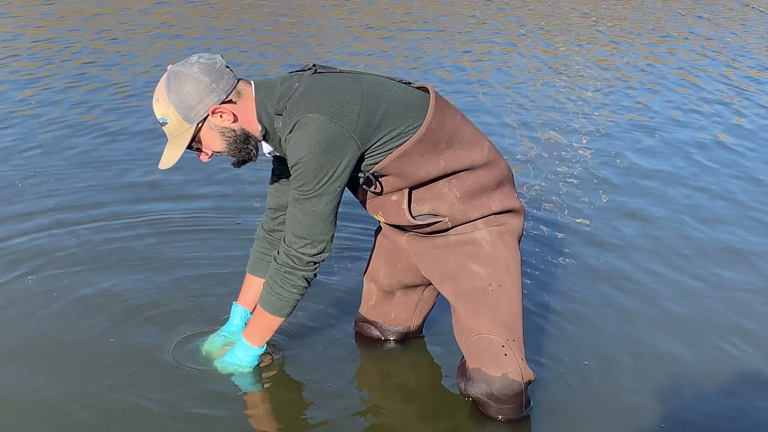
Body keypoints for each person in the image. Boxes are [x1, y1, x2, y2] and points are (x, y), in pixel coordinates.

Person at [150, 53, 536, 421]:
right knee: (377, 335)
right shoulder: (276, 115)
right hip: (405, 222)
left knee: (497, 389)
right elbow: (276, 228)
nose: (203, 155)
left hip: (472, 218)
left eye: (196, 144)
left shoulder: (315, 123)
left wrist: (249, 348)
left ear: (221, 114)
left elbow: (303, 251)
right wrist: (238, 320)